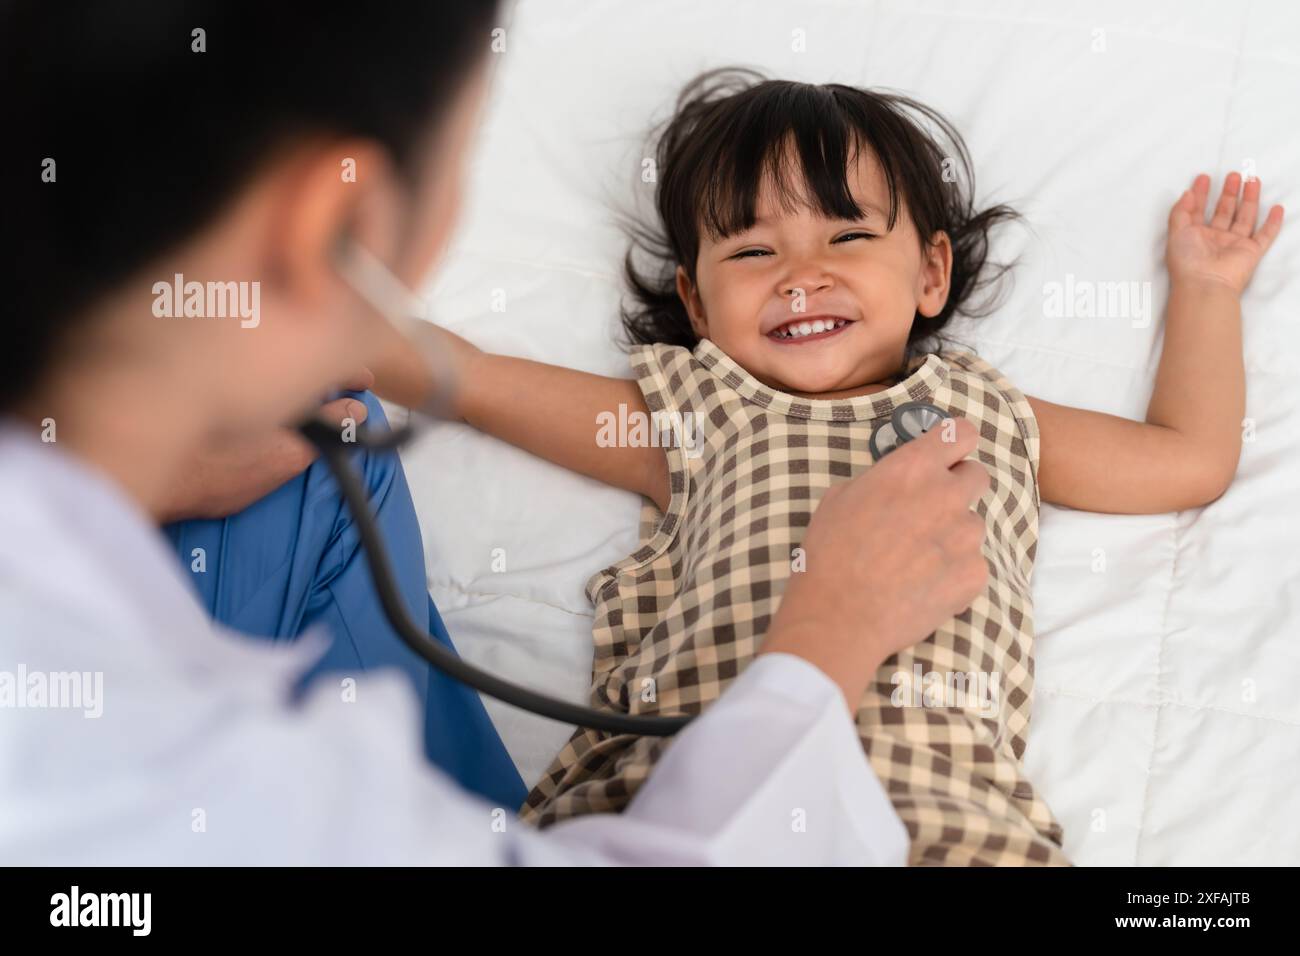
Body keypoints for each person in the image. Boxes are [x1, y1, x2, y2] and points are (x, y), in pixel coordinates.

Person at [0, 0, 990, 864]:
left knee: (323, 462)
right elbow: (469, 379)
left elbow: (1158, 461)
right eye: (753, 247)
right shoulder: (694, 413)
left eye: (850, 235)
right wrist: (830, 636)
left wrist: (138, 452)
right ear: (323, 227)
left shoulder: (983, 411)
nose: (802, 276)